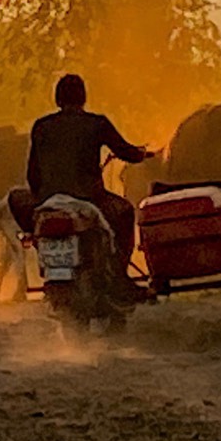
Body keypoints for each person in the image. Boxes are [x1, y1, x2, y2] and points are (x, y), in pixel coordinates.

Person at [9, 73, 152, 299]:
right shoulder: (97, 123)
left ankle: (35, 237)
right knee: (125, 212)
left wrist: (42, 199)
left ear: (57, 99)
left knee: (15, 197)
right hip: (89, 198)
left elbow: (32, 172)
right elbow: (126, 152)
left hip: (48, 198)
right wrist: (142, 153)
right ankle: (120, 278)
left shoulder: (41, 126)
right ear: (83, 98)